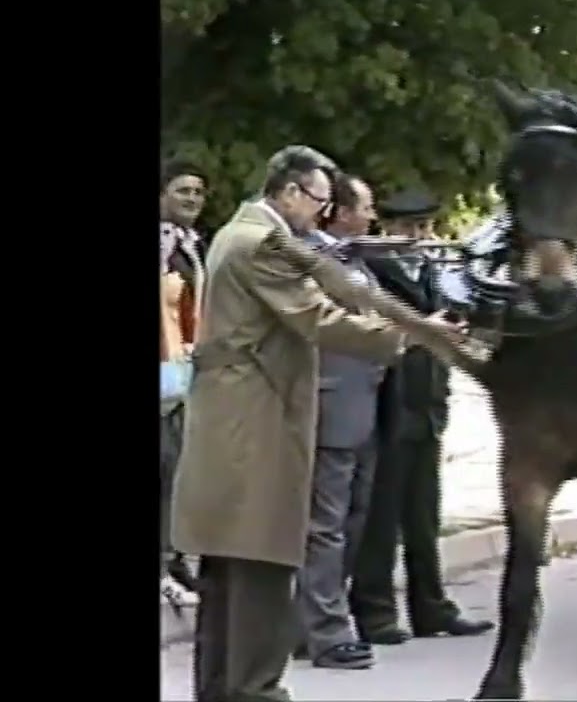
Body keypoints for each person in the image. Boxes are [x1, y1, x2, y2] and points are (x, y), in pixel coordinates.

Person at [169, 150, 465, 702]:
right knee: (260, 559)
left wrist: (418, 323)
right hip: (252, 423)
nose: (322, 214)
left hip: (239, 421)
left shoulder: (250, 229)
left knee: (230, 569)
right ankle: (253, 689)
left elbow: (341, 282)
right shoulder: (260, 243)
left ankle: (223, 689)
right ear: (289, 193)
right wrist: (415, 337)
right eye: (318, 201)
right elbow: (319, 316)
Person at [351, 190, 494, 645]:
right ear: (387, 229)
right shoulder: (370, 271)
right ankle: (374, 610)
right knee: (382, 514)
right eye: (410, 229)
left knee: (423, 514)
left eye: (426, 228)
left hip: (428, 400)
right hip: (388, 401)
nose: (420, 238)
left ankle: (430, 606)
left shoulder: (433, 271)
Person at [293, 173, 387, 670]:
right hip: (330, 406)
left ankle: (309, 623)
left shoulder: (351, 258)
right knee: (326, 525)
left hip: (360, 407)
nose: (372, 216)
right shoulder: (312, 258)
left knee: (349, 519)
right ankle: (326, 632)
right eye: (364, 206)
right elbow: (333, 324)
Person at [160, 158, 207, 608]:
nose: (191, 199)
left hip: (185, 370)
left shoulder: (193, 246)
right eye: (182, 190)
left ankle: (174, 559)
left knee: (180, 469)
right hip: (164, 367)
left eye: (197, 192)